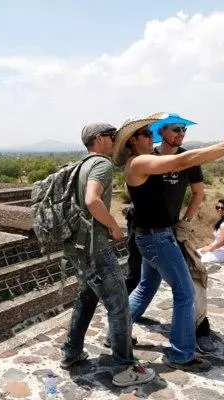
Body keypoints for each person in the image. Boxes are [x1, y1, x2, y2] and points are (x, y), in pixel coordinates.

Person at [113, 112, 224, 372]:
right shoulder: (138, 162)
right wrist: (223, 147)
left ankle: (116, 335)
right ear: (132, 141)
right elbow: (179, 162)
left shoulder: (142, 160)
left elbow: (182, 164)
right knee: (185, 293)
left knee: (145, 287)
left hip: (153, 235)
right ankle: (180, 353)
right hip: (157, 238)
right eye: (145, 134)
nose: (150, 136)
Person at [61, 122, 155, 387]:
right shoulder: (101, 165)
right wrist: (113, 226)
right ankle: (125, 366)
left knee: (86, 298)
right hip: (97, 248)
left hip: (79, 247)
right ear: (99, 139)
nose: (116, 140)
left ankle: (71, 352)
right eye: (112, 136)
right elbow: (92, 200)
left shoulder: (80, 165)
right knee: (119, 306)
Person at [198, 199, 224, 264]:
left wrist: (209, 249)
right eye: (217, 207)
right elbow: (217, 240)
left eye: (223, 208)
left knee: (199, 258)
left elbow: (222, 242)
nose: (219, 210)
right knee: (197, 252)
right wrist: (209, 246)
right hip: (223, 251)